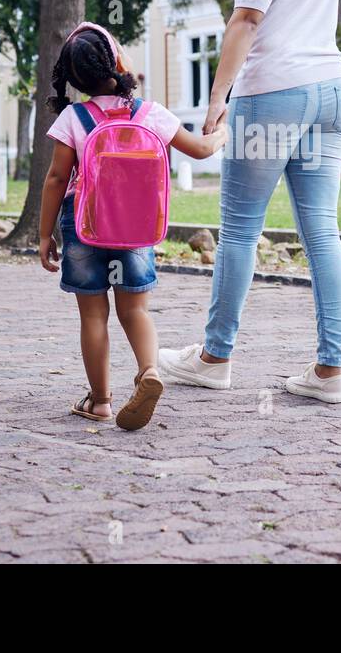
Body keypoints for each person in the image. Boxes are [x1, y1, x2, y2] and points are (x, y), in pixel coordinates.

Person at [157, 0, 341, 403]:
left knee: (241, 229)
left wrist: (217, 98)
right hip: (329, 97)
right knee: (323, 232)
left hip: (274, 96)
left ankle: (214, 357)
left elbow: (245, 21)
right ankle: (329, 372)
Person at [38, 22, 227, 430]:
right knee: (135, 308)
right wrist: (222, 133)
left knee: (93, 315)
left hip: (85, 227)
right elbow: (199, 149)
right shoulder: (150, 113)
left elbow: (56, 179)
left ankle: (100, 401)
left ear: (73, 78)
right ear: (117, 62)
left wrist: (43, 234)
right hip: (135, 229)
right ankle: (149, 371)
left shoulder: (74, 118)